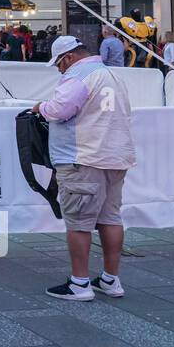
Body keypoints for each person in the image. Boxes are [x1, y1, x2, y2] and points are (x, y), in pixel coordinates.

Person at [34, 36, 136, 301]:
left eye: (58, 63)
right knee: (111, 218)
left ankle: (80, 284)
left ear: (68, 57)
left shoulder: (78, 76)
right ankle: (111, 280)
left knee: (79, 222)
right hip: (115, 157)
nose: (59, 69)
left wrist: (40, 107)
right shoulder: (111, 76)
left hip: (83, 158)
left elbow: (59, 109)